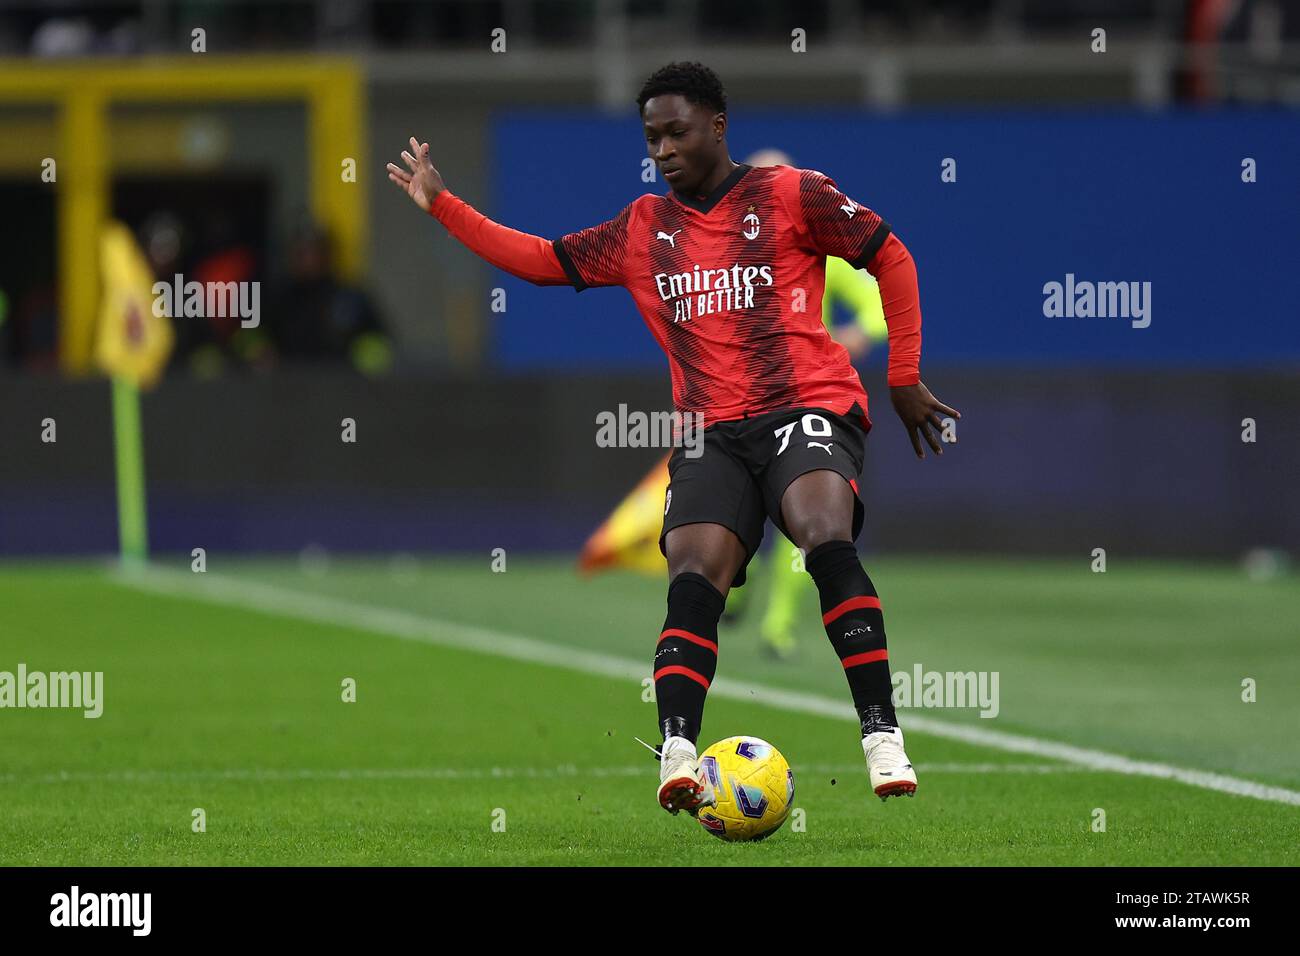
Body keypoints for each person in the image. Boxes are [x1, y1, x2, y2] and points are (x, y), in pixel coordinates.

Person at [387, 61, 959, 812]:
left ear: (717, 126)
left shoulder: (791, 195)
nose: (662, 149)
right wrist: (441, 204)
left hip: (807, 405)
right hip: (713, 434)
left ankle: (882, 735)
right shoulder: (640, 229)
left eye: (676, 131)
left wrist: (903, 374)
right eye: (651, 136)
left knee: (823, 533)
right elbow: (540, 261)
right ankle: (679, 752)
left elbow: (891, 254)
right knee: (694, 576)